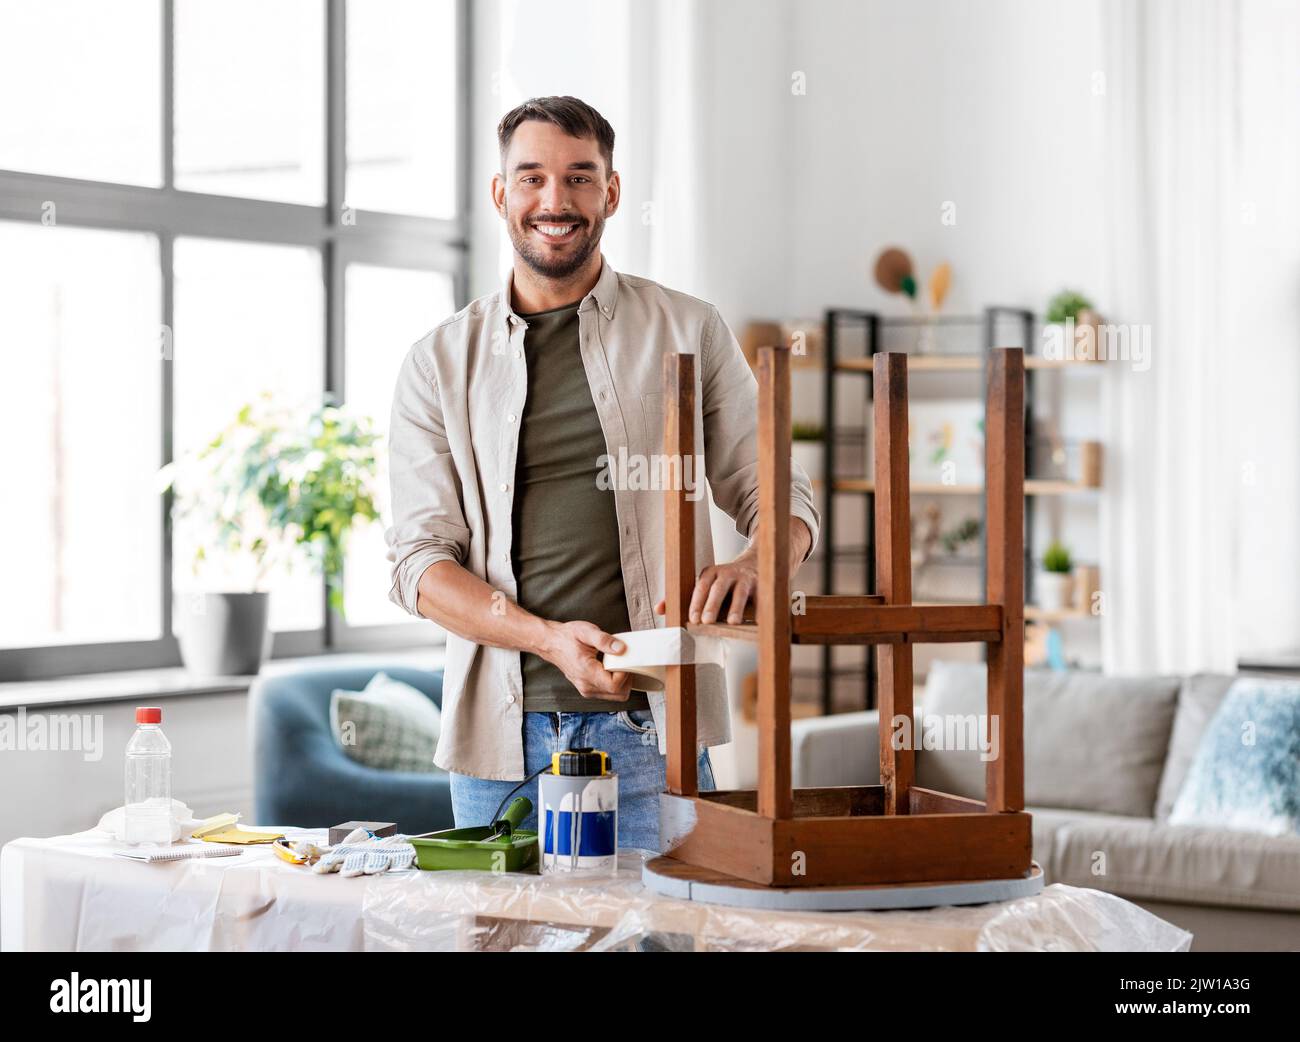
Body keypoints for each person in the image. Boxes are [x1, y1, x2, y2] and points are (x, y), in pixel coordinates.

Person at [385, 95, 819, 850]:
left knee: (666, 942)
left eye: (580, 178)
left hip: (654, 732)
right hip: (497, 748)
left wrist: (759, 558)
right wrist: (549, 640)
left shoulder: (690, 329)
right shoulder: (438, 362)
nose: (555, 201)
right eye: (531, 178)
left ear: (612, 192)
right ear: (501, 194)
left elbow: (778, 490)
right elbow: (419, 566)